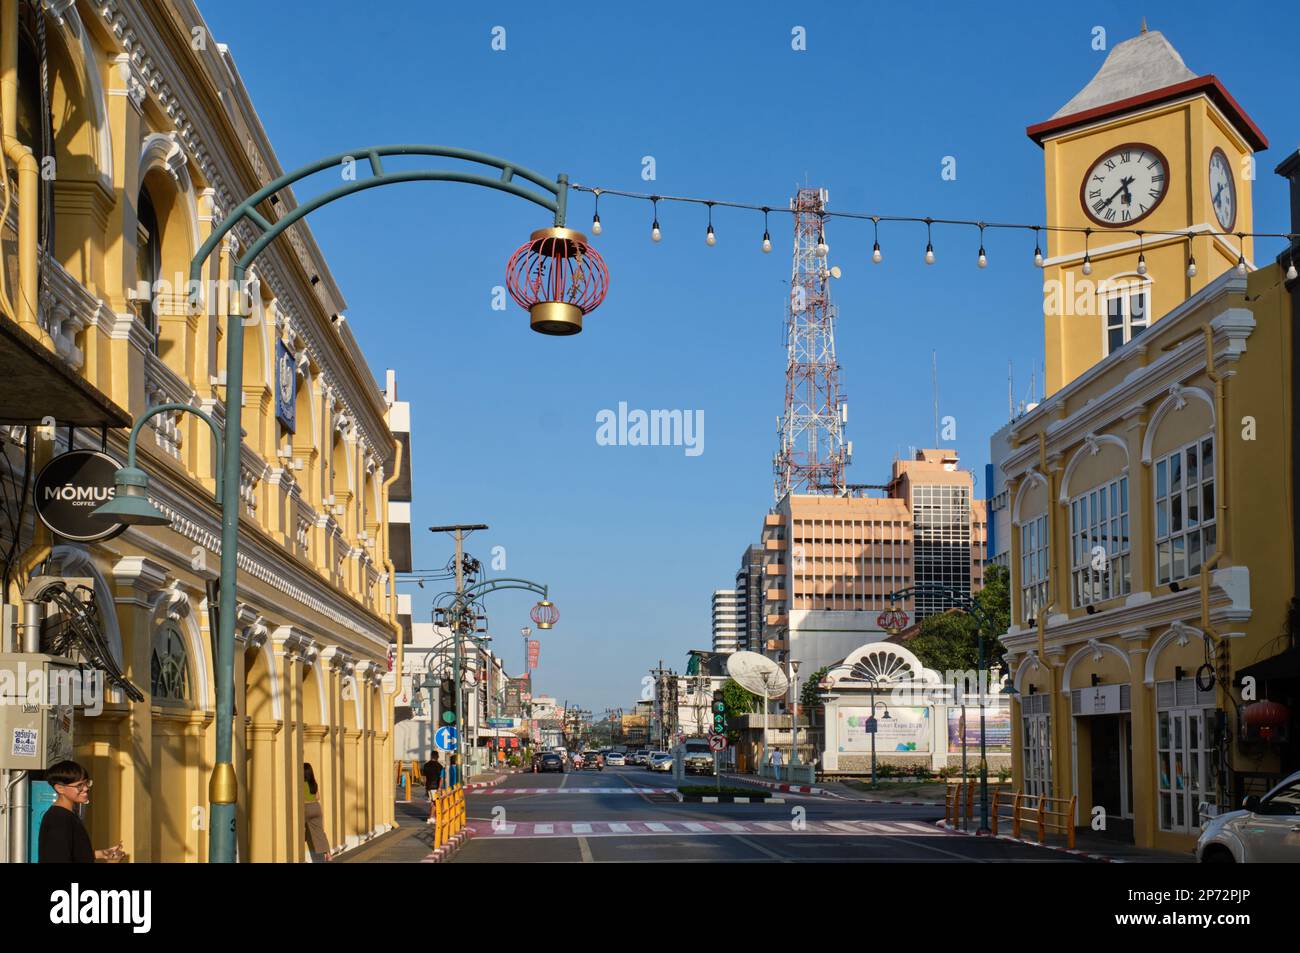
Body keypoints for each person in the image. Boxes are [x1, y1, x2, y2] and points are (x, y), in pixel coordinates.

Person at [38, 760, 123, 863]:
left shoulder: (68, 815)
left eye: (87, 783)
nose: (86, 788)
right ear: (60, 788)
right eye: (79, 785)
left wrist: (103, 853)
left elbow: (74, 853)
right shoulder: (58, 819)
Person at [303, 763, 332, 862]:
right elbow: (317, 797)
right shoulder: (313, 783)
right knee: (320, 831)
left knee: (299, 831)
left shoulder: (300, 784)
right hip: (316, 807)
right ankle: (328, 853)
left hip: (305, 808)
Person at [422, 753, 445, 820]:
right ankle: (431, 817)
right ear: (437, 757)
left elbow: (424, 778)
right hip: (435, 787)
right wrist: (439, 788)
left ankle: (431, 816)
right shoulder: (439, 766)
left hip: (429, 786)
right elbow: (441, 778)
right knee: (436, 803)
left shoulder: (426, 765)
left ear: (431, 756)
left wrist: (426, 787)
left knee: (432, 802)